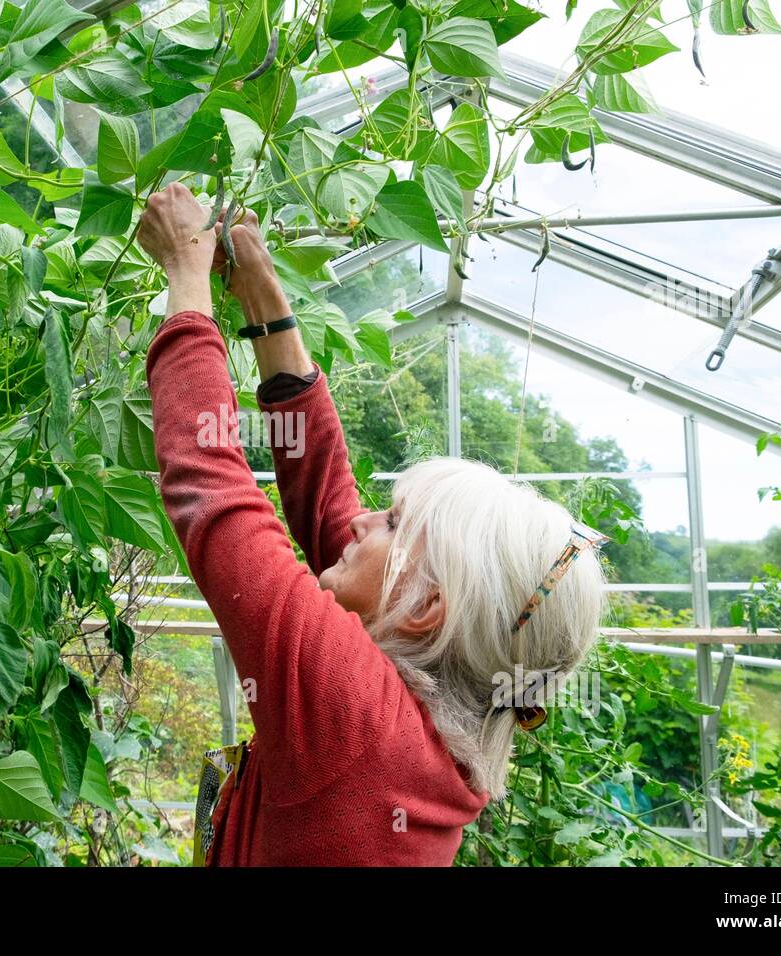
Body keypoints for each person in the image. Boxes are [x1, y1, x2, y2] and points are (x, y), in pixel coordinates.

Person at [137, 182, 608, 866]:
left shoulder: (355, 724)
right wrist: (260, 290)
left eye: (392, 521)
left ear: (427, 608)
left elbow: (214, 494)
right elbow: (327, 501)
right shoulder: (416, 731)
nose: (359, 520)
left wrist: (186, 272)